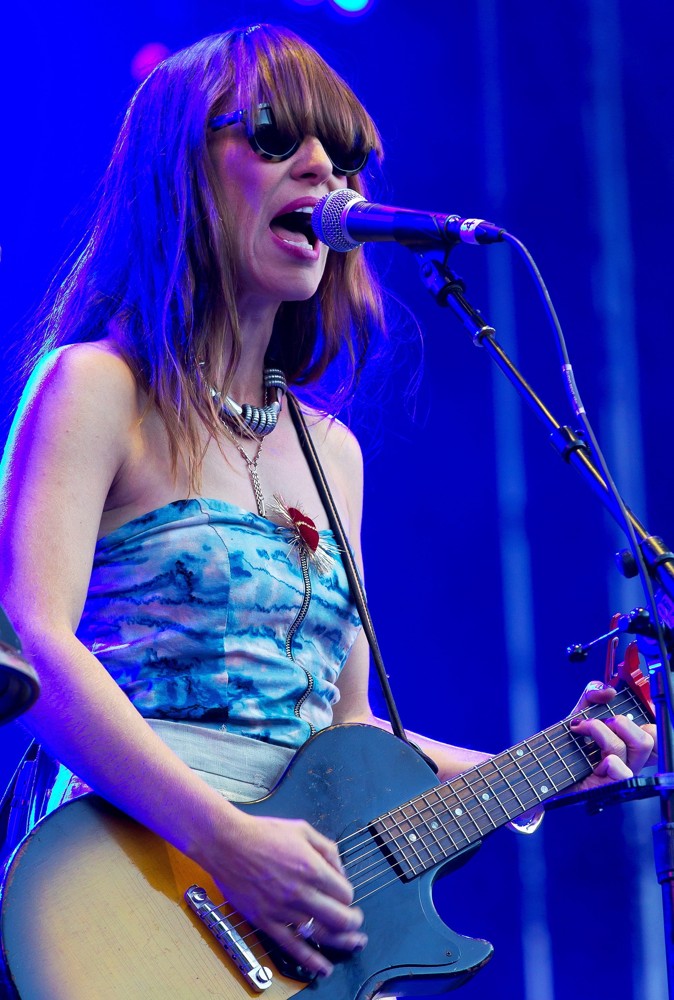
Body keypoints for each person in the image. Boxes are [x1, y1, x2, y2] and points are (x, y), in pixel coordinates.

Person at [0, 23, 656, 988]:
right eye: (274, 138)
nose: (321, 169)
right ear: (180, 173)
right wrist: (228, 842)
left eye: (344, 154)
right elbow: (32, 645)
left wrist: (558, 758)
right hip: (129, 880)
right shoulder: (96, 388)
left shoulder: (331, 453)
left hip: (285, 931)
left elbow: (343, 737)